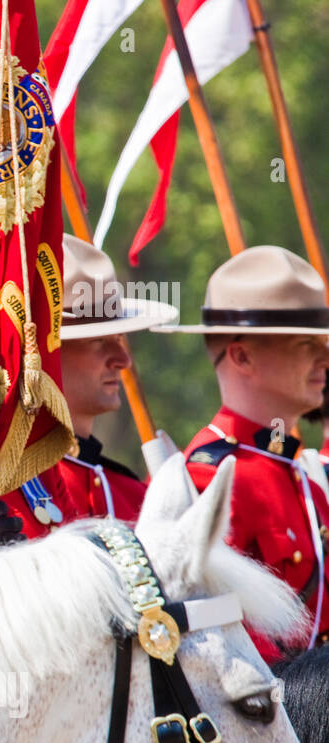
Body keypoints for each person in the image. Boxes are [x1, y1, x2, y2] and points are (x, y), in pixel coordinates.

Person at [164, 245, 329, 661]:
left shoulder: (304, 479)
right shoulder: (211, 479)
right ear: (242, 355)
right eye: (306, 344)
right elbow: (215, 640)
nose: (325, 357)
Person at [54, 235, 178, 522]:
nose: (124, 360)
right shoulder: (7, 494)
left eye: (119, 339)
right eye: (97, 341)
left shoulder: (133, 497)